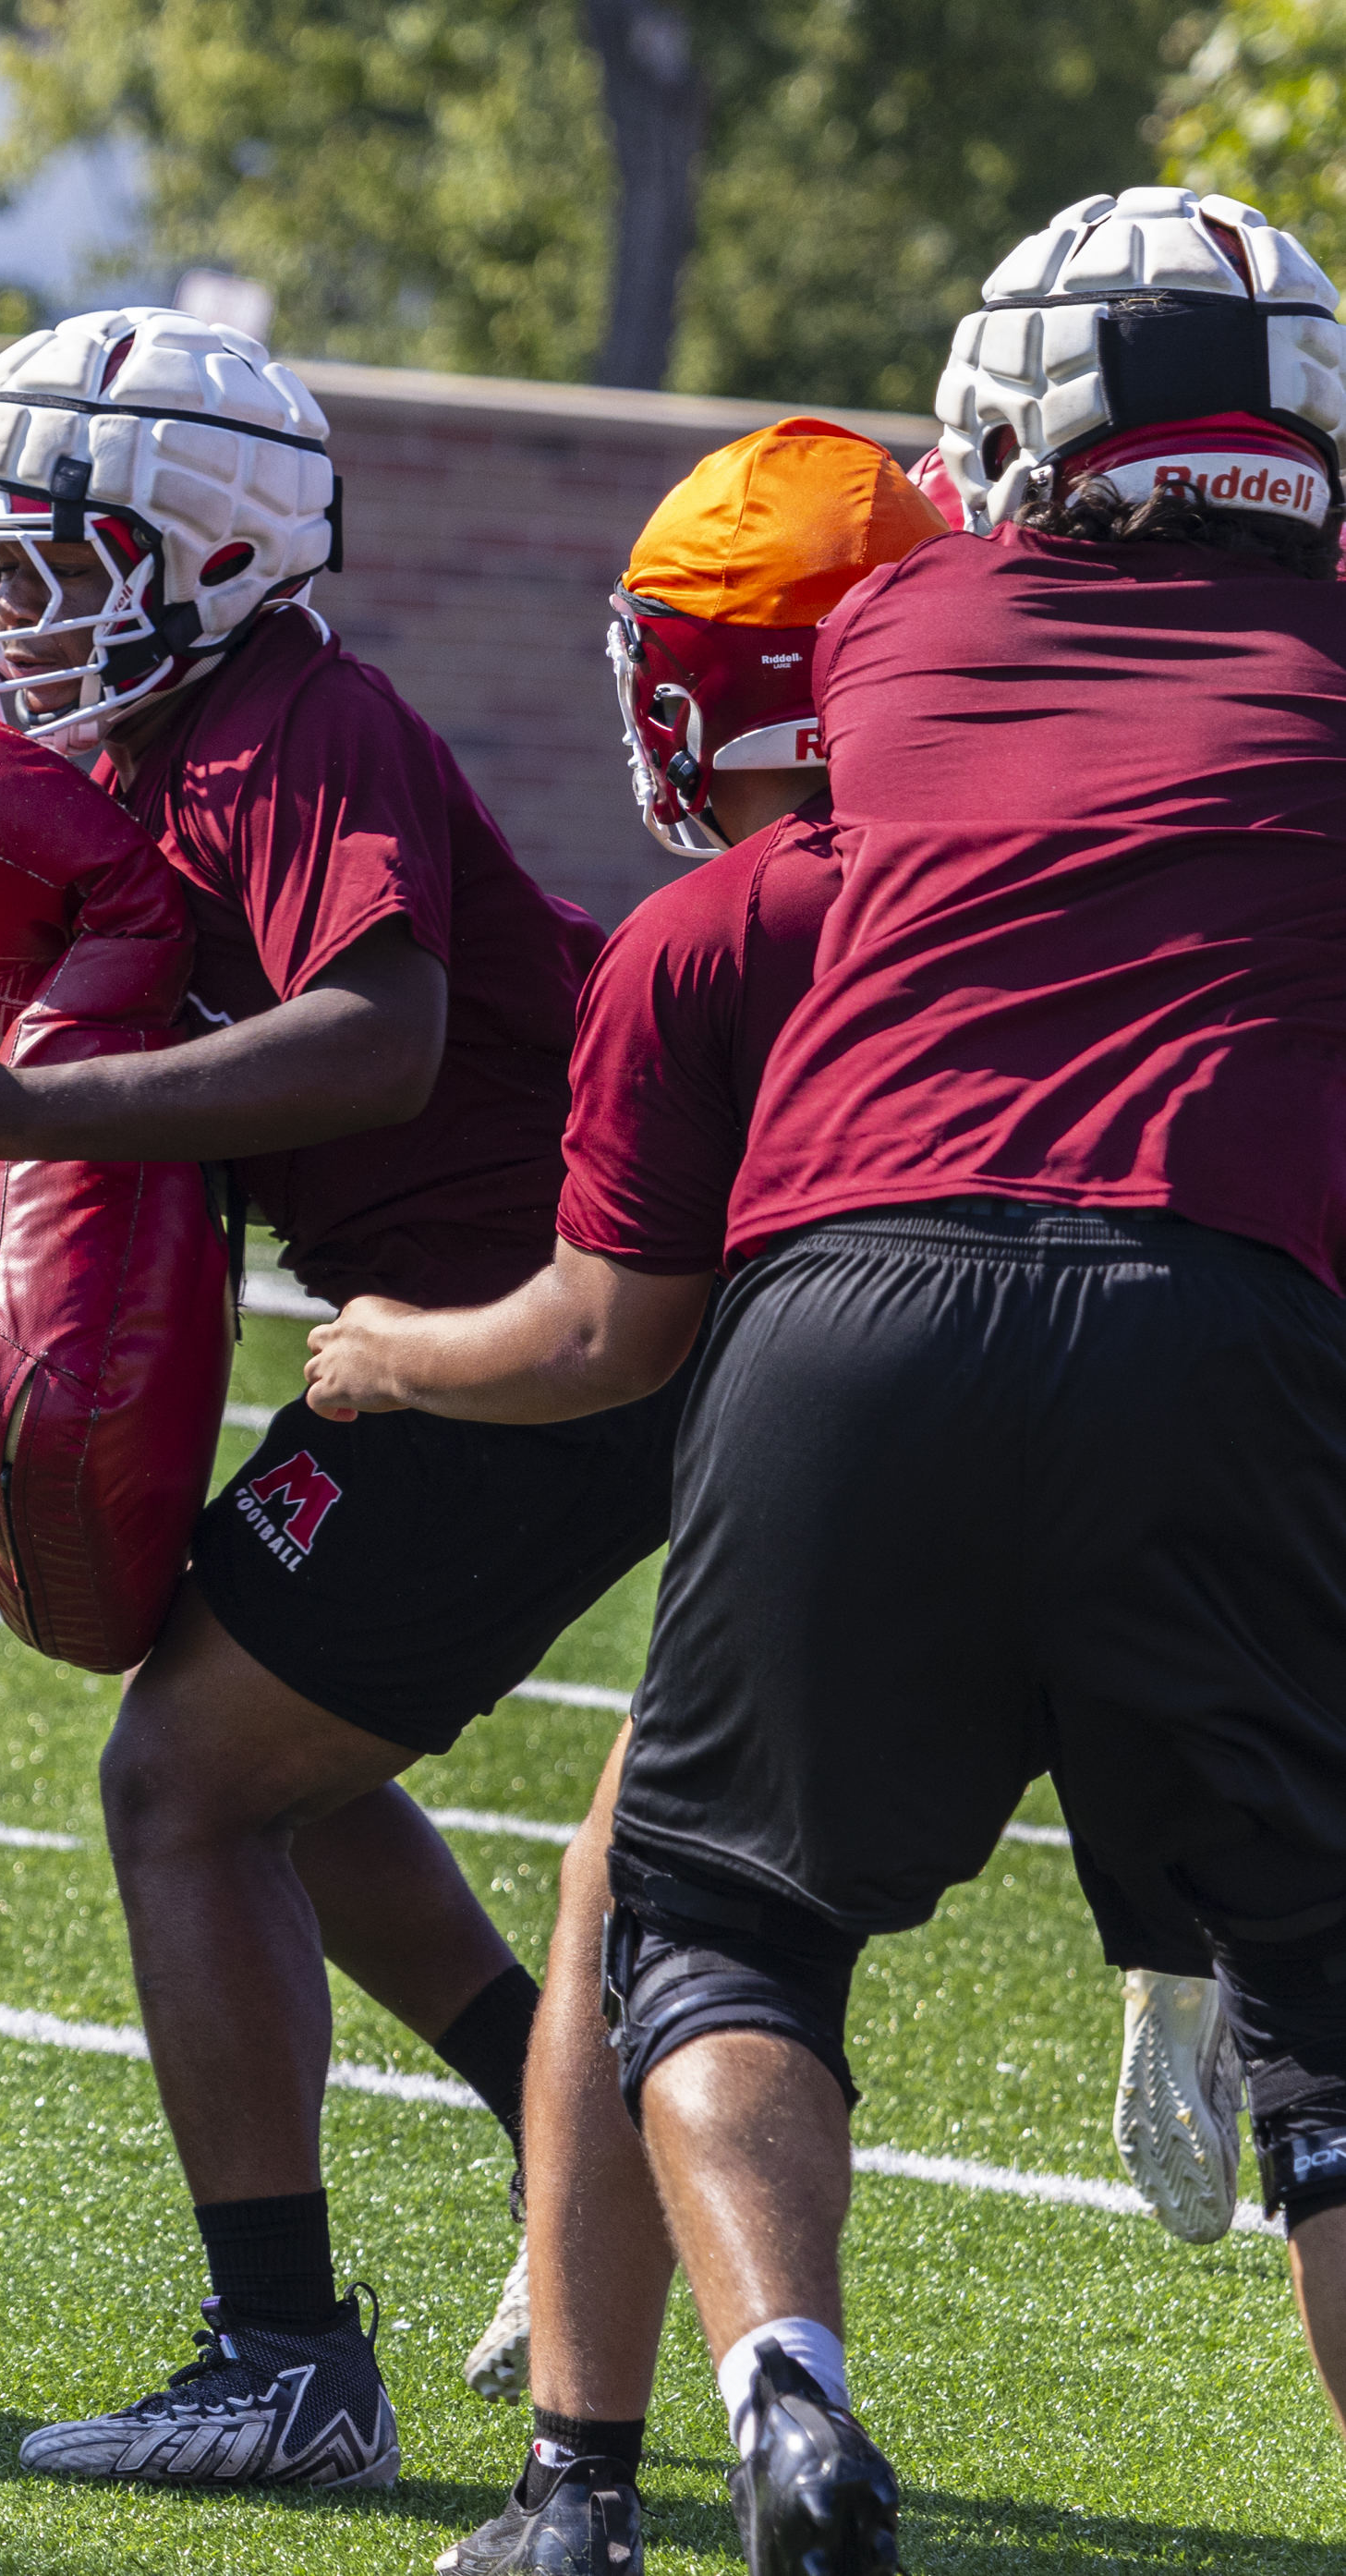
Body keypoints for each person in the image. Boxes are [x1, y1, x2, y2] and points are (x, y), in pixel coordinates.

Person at [0, 306, 641, 2491]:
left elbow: (371, 1031)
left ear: (204, 550)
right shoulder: (157, 749)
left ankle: (281, 2358)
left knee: (181, 1776)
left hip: (530, 1320)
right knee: (272, 1758)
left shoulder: (288, 718)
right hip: (482, 1310)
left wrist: (10, 1102)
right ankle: (564, 2139)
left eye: (39, 562)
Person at [600, 185, 1346, 2570]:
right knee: (1327, 2013)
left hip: (848, 1293)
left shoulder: (901, 625)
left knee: (717, 1921)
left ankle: (784, 2396)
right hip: (1212, 1302)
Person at [295, 417, 947, 2570]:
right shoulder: (1092, 856)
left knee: (641, 1909)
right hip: (1201, 1436)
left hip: (839, 1461)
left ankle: (581, 2478)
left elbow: (599, 1332)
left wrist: (386, 1350)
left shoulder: (711, 924)